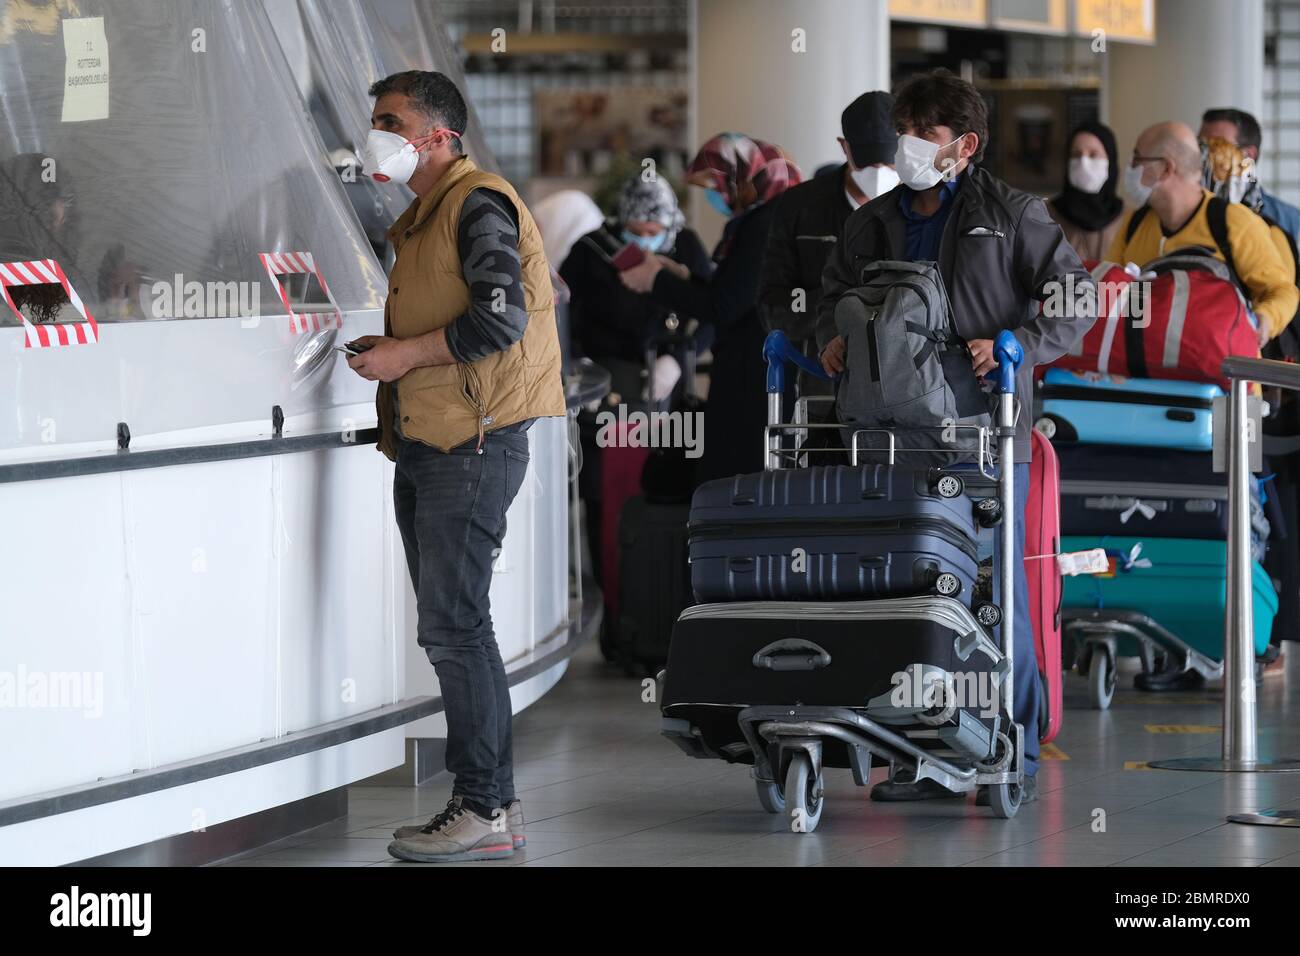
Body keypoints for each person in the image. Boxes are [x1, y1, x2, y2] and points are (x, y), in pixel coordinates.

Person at [816, 69, 1096, 805]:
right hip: (885, 436)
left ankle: (1011, 747)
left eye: (923, 135)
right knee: (907, 591)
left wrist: (1018, 340)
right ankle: (923, 752)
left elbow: (1077, 295)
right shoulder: (872, 220)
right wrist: (826, 336)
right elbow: (830, 293)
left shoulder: (1014, 214)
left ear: (963, 145)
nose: (907, 148)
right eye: (902, 131)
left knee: (994, 590)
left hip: (981, 430)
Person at [344, 70, 566, 863]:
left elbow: (501, 317)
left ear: (436, 136)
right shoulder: (424, 214)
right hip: (434, 439)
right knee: (452, 625)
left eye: (388, 120)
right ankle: (489, 804)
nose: (375, 133)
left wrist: (403, 354)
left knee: (455, 625)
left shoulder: (476, 202)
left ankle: (481, 807)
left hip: (472, 442)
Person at [620, 133, 801, 484]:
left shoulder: (764, 225)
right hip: (755, 374)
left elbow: (723, 306)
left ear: (745, 177)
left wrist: (656, 281)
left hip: (753, 380)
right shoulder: (764, 220)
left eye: (718, 184)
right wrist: (683, 276)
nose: (715, 195)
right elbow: (731, 290)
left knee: (734, 482)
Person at [759, 91, 898, 447]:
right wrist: (842, 311)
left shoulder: (919, 206)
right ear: (844, 147)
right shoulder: (800, 208)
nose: (879, 173)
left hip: (906, 391)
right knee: (823, 489)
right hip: (822, 389)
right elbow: (775, 304)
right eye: (868, 161)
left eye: (889, 160)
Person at [1106, 121, 1297, 348]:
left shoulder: (1233, 222)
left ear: (1166, 168)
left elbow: (1282, 291)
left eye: (1137, 159)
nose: (1130, 167)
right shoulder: (1134, 224)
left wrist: (1262, 322)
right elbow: (1110, 289)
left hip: (1222, 372)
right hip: (1147, 367)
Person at [560, 174, 712, 403]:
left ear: (669, 226)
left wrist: (678, 361)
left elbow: (713, 312)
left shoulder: (686, 247)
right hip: (603, 372)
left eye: (653, 233)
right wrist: (575, 363)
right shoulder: (591, 249)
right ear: (621, 222)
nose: (644, 240)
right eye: (635, 231)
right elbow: (560, 310)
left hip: (666, 374)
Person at [1200, 108, 1300, 241]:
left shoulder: (1288, 220)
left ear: (1248, 156)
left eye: (1217, 145)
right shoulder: (1184, 209)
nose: (1204, 154)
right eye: (1201, 144)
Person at [1046, 121, 1125, 261]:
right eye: (1076, 154)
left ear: (1110, 161)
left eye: (1093, 154)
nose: (1083, 162)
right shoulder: (1045, 216)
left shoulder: (1129, 220)